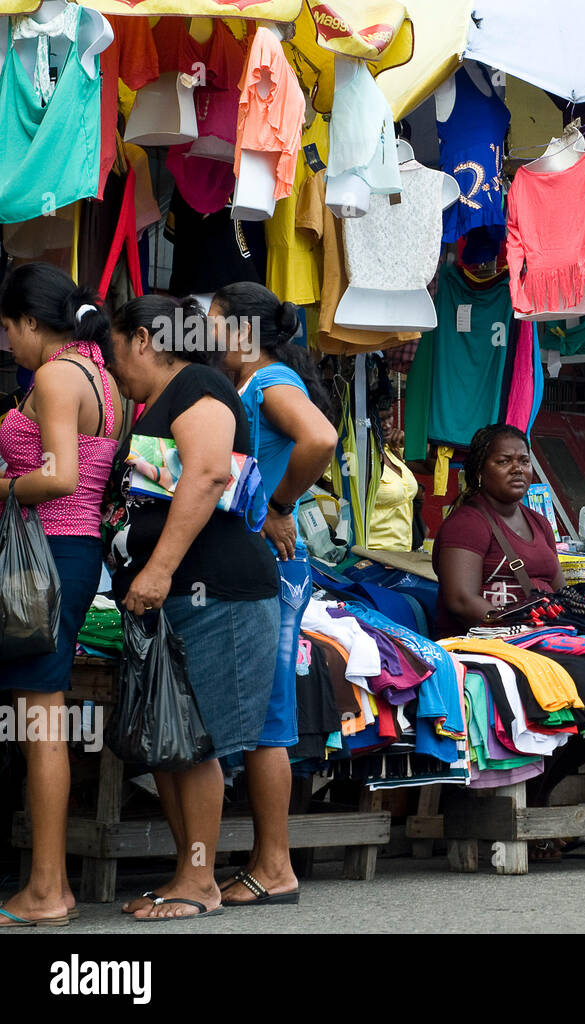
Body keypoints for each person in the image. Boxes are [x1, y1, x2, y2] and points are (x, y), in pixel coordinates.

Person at [106, 295, 280, 920]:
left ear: (145, 339)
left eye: (116, 345)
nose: (112, 362)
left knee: (198, 738)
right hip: (179, 594)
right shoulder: (163, 402)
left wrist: (156, 570)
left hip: (218, 592)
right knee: (174, 740)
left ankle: (199, 882)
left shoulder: (200, 385)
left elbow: (207, 473)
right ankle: (188, 873)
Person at [0, 265, 123, 927]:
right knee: (39, 720)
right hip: (72, 558)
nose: (8, 343)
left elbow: (60, 474)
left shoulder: (52, 375)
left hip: (41, 556)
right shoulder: (100, 373)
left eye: (8, 328)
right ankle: (53, 886)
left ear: (30, 321)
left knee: (39, 723)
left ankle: (45, 890)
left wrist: (2, 490)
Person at [212, 281, 338, 908]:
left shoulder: (268, 383)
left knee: (268, 717)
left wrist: (279, 504)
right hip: (261, 561)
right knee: (263, 713)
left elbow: (319, 439)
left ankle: (276, 867)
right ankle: (267, 861)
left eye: (213, 323)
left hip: (274, 562)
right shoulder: (253, 382)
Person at [434, 423, 564, 638]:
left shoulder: (540, 523)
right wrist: (520, 629)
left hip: (544, 634)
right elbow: (461, 601)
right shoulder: (467, 524)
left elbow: (560, 592)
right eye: (504, 461)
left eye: (524, 461)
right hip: (488, 642)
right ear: (479, 471)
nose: (517, 469)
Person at [367, 395, 422, 552]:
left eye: (390, 416)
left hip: (404, 553)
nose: (387, 425)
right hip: (373, 554)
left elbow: (432, 466)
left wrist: (410, 442)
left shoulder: (392, 449)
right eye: (380, 419)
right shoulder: (355, 456)